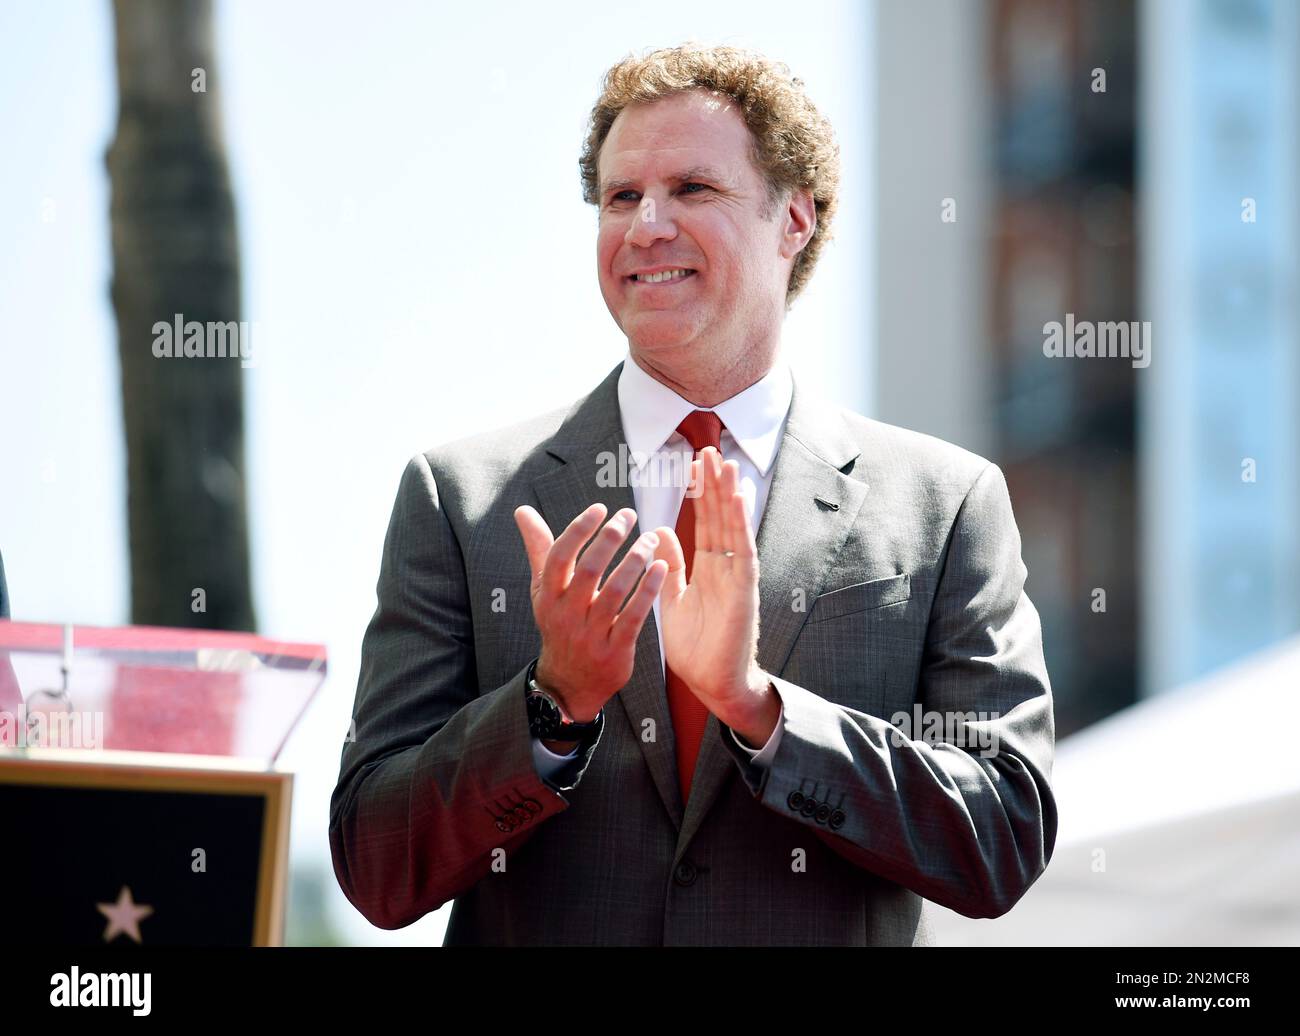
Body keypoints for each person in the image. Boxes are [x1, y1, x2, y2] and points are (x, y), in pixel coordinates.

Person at [329, 43, 1057, 946]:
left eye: (693, 190)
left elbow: (1002, 836)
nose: (645, 227)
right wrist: (551, 705)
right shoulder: (461, 499)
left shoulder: (943, 506)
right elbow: (374, 864)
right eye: (622, 197)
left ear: (794, 217)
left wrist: (763, 711)